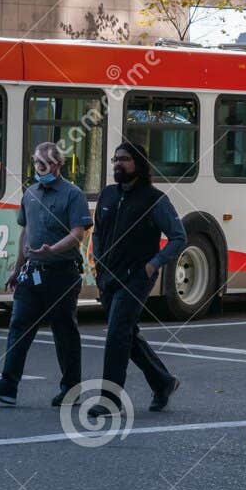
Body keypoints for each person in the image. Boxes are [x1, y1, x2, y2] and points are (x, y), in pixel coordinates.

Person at [0, 142, 93, 407]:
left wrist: (53, 248)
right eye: (37, 163)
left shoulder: (72, 194)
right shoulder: (30, 193)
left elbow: (78, 233)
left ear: (58, 165)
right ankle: (8, 385)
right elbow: (25, 232)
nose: (40, 168)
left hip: (62, 272)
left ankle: (71, 389)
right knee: (19, 325)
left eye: (45, 164)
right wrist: (17, 268)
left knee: (64, 331)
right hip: (32, 272)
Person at [91, 141, 187, 412]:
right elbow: (97, 232)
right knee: (127, 335)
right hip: (108, 276)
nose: (118, 164)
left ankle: (109, 400)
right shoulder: (108, 195)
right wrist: (98, 259)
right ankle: (163, 382)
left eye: (124, 159)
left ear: (140, 164)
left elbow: (179, 237)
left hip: (136, 278)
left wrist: (153, 264)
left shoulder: (155, 200)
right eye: (115, 159)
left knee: (117, 334)